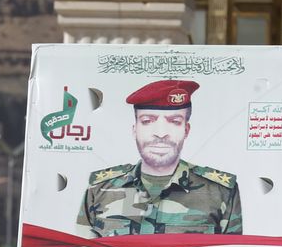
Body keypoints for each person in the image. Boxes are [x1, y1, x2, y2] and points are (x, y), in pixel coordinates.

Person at [75, 80, 243, 237]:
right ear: (135, 130)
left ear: (186, 130)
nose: (161, 133)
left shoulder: (220, 192)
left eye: (174, 122)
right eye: (147, 121)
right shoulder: (99, 189)